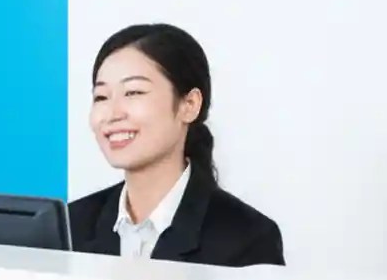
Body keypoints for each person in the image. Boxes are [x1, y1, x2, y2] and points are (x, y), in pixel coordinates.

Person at [69, 23, 285, 267]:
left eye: (134, 92)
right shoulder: (71, 227)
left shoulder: (247, 239)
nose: (112, 113)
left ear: (189, 105)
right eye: (101, 97)